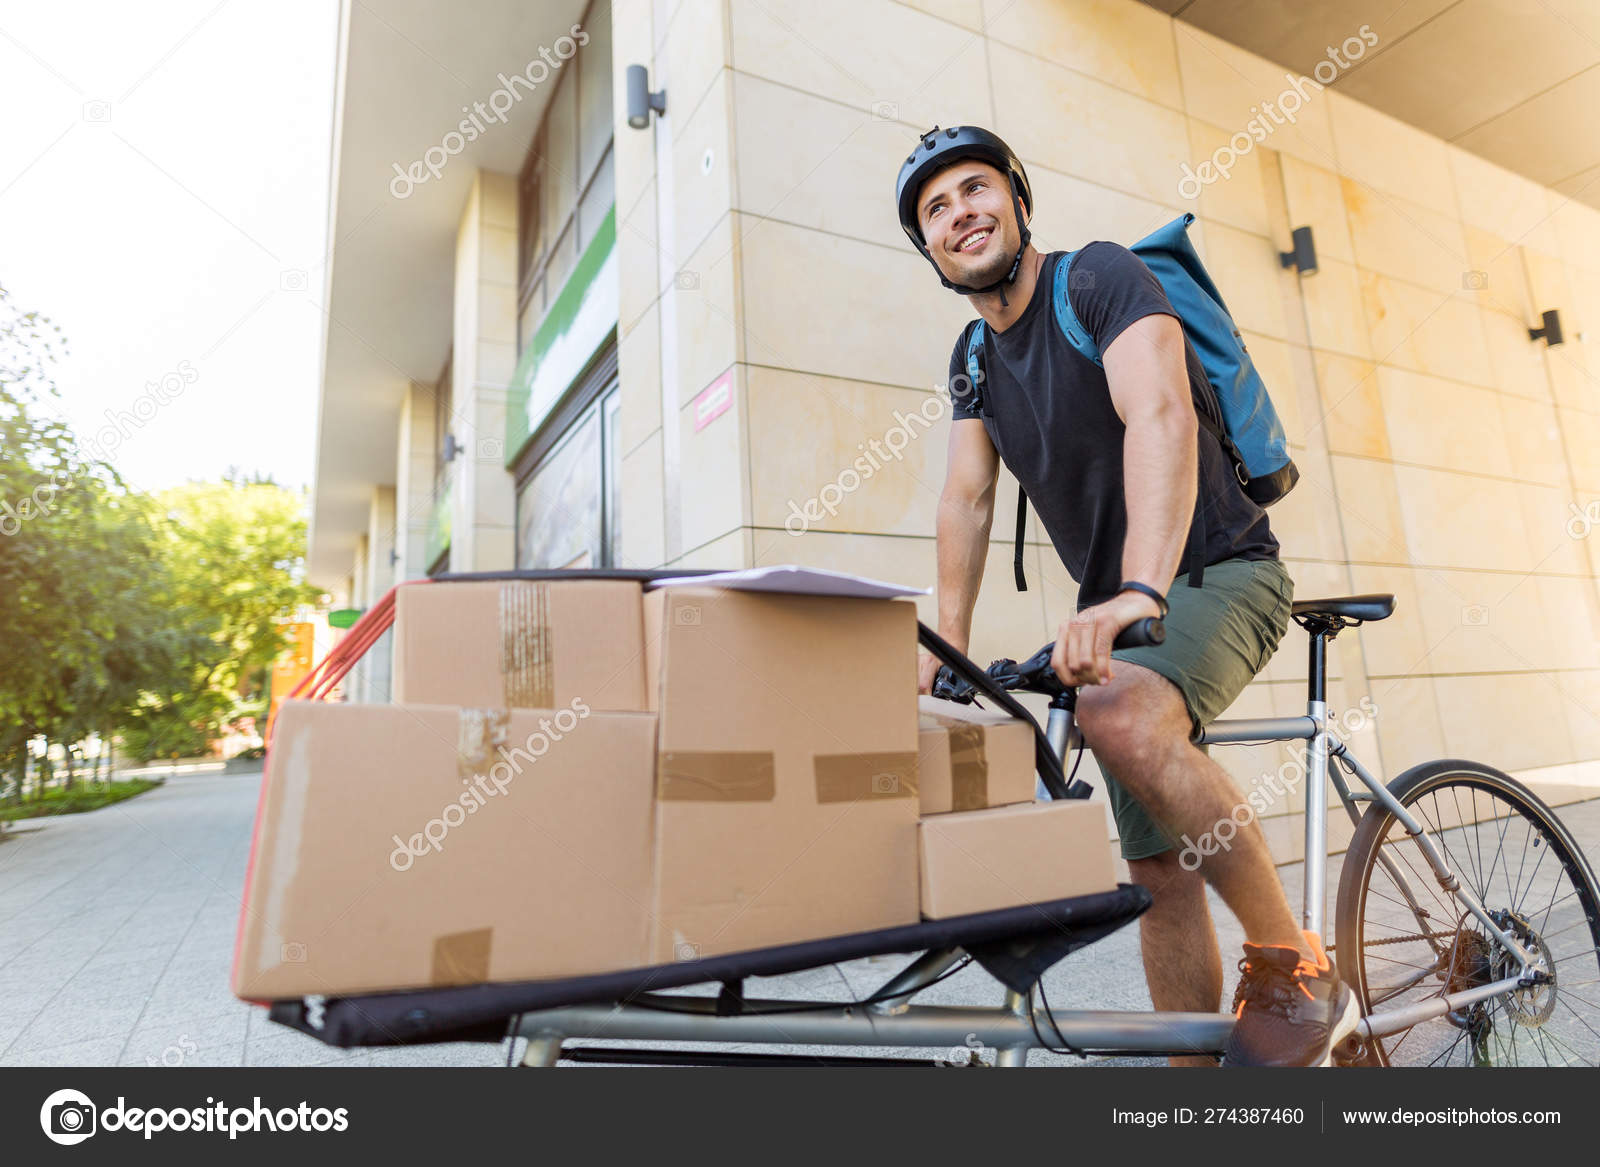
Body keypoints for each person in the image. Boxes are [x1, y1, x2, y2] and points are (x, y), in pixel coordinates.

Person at [897, 125, 1358, 1067]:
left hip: (1221, 570)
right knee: (1158, 870)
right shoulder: (975, 359)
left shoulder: (1098, 279)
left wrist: (1138, 586)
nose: (959, 215)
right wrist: (940, 649)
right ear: (932, 248)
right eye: (935, 211)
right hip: (1127, 610)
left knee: (1117, 713)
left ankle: (1295, 965)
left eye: (975, 189)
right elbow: (967, 496)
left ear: (1018, 201)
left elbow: (1160, 413)